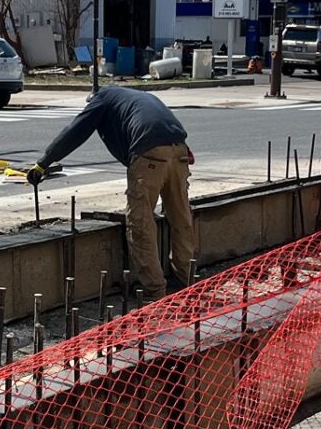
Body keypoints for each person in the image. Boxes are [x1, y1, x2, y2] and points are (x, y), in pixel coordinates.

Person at [27, 86, 195, 297]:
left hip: (149, 153)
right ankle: (188, 280)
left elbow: (75, 132)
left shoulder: (102, 100)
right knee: (181, 216)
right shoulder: (137, 97)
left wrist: (43, 163)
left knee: (139, 222)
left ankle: (155, 289)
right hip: (179, 150)